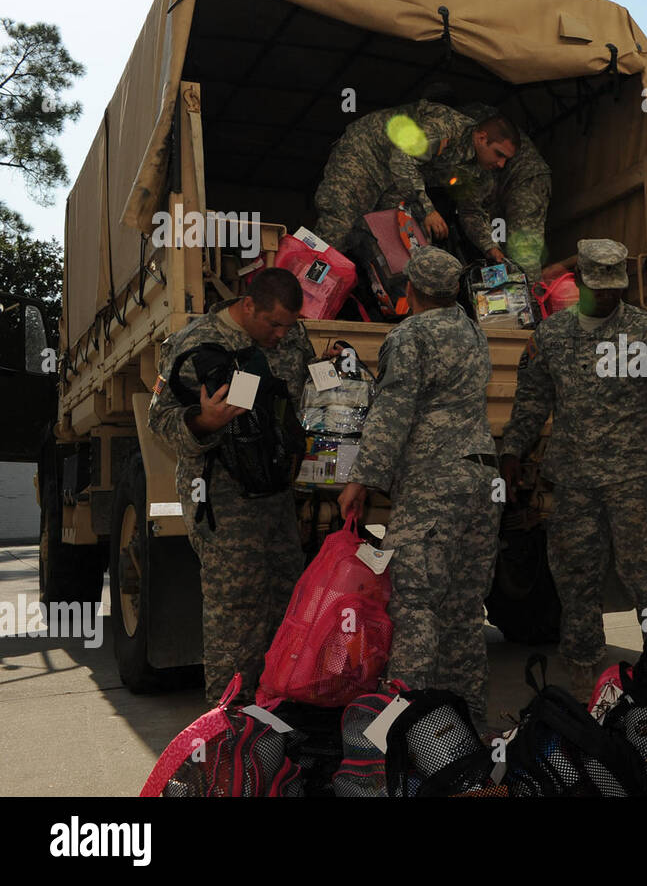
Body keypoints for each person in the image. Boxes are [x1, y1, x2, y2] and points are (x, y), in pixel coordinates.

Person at [500, 239, 647, 697]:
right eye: (601, 288)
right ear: (583, 282)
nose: (610, 296)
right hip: (574, 483)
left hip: (633, 478)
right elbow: (531, 402)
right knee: (575, 582)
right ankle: (585, 680)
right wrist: (512, 450)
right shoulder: (550, 337)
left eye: (617, 288)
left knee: (644, 578)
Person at [337, 246, 502, 725]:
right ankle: (467, 727)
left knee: (414, 604)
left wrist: (363, 478)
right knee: (465, 610)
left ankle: (401, 731)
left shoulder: (409, 335)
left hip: (435, 484)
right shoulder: (474, 332)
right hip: (481, 481)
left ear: (410, 290)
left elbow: (393, 410)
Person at [147, 268, 318, 704]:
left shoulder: (293, 339)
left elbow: (303, 396)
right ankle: (230, 722)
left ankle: (279, 709)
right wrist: (203, 421)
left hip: (277, 494)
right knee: (235, 611)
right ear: (247, 306)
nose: (281, 334)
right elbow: (159, 418)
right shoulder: (195, 343)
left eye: (288, 325)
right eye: (273, 324)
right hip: (222, 494)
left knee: (285, 596)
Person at [312, 100, 519, 251]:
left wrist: (490, 248)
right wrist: (428, 210)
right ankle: (300, 297)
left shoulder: (480, 169)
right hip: (365, 156)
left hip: (396, 183)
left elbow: (471, 210)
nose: (501, 164)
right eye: (499, 154)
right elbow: (402, 159)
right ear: (482, 138)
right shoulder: (446, 126)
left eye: (506, 160)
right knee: (338, 228)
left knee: (402, 244)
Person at [454, 103, 551, 280]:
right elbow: (471, 210)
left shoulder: (469, 119)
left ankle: (532, 301)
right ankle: (506, 299)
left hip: (526, 178)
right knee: (499, 250)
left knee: (523, 250)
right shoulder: (462, 123)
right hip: (495, 186)